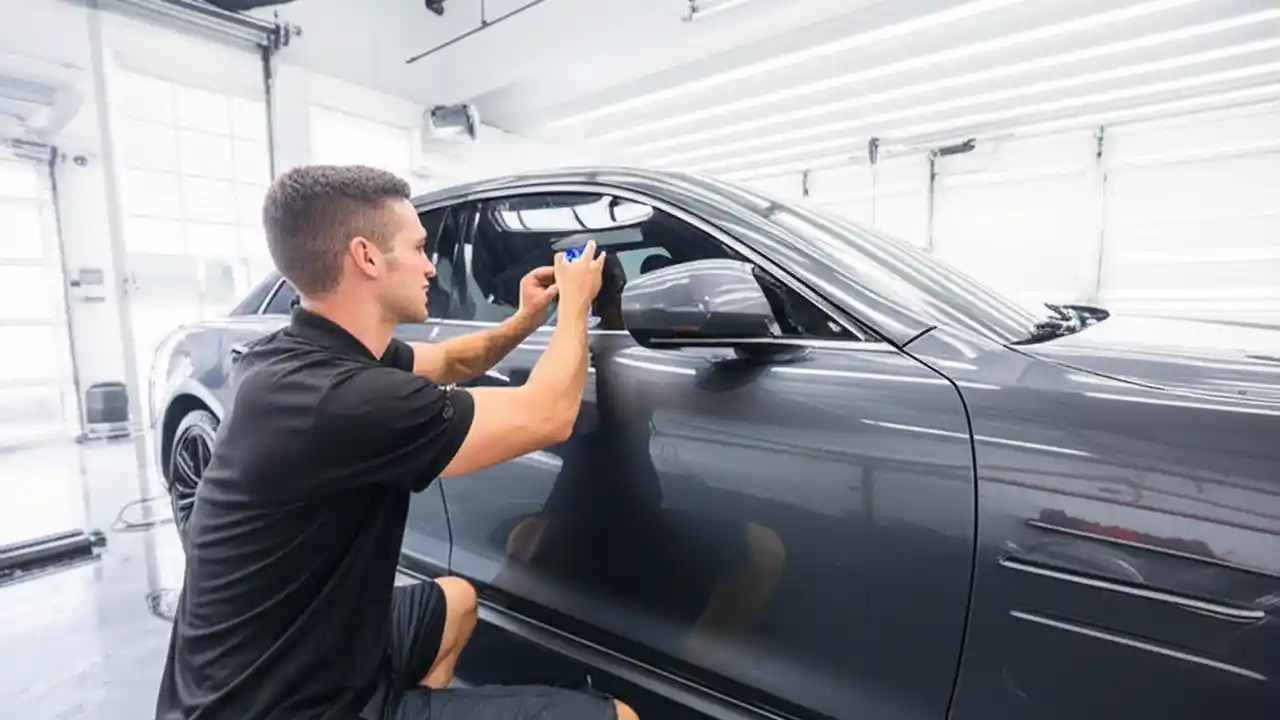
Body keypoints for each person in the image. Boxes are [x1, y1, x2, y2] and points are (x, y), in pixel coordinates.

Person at [155, 164, 638, 720]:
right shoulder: (342, 397)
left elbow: (454, 360)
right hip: (286, 709)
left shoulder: (303, 358)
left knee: (454, 601)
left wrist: (529, 319)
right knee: (616, 719)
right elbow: (548, 415)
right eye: (418, 248)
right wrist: (577, 302)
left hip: (292, 662)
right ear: (366, 257)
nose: (431, 265)